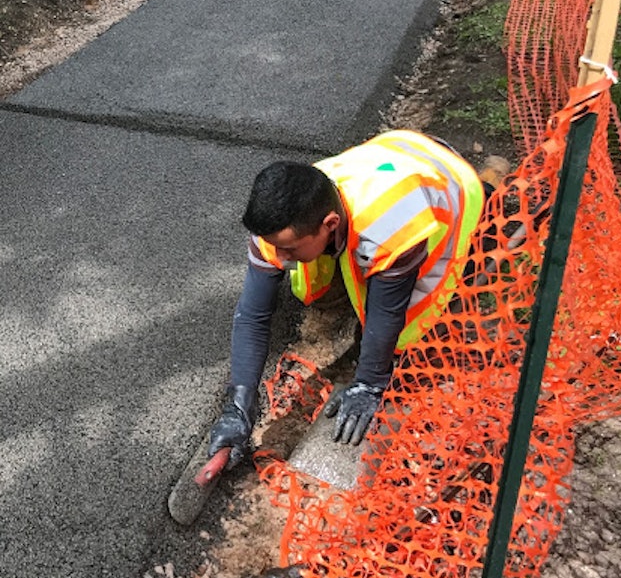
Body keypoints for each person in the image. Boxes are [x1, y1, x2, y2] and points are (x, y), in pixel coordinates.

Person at [207, 130, 495, 462]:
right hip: (392, 152)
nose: (280, 257)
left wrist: (370, 383)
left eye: (289, 248)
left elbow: (387, 312)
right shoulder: (284, 218)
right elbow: (253, 315)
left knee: (410, 329)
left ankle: (487, 199)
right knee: (316, 280)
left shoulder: (392, 224)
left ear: (329, 223)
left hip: (444, 178)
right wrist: (239, 404)